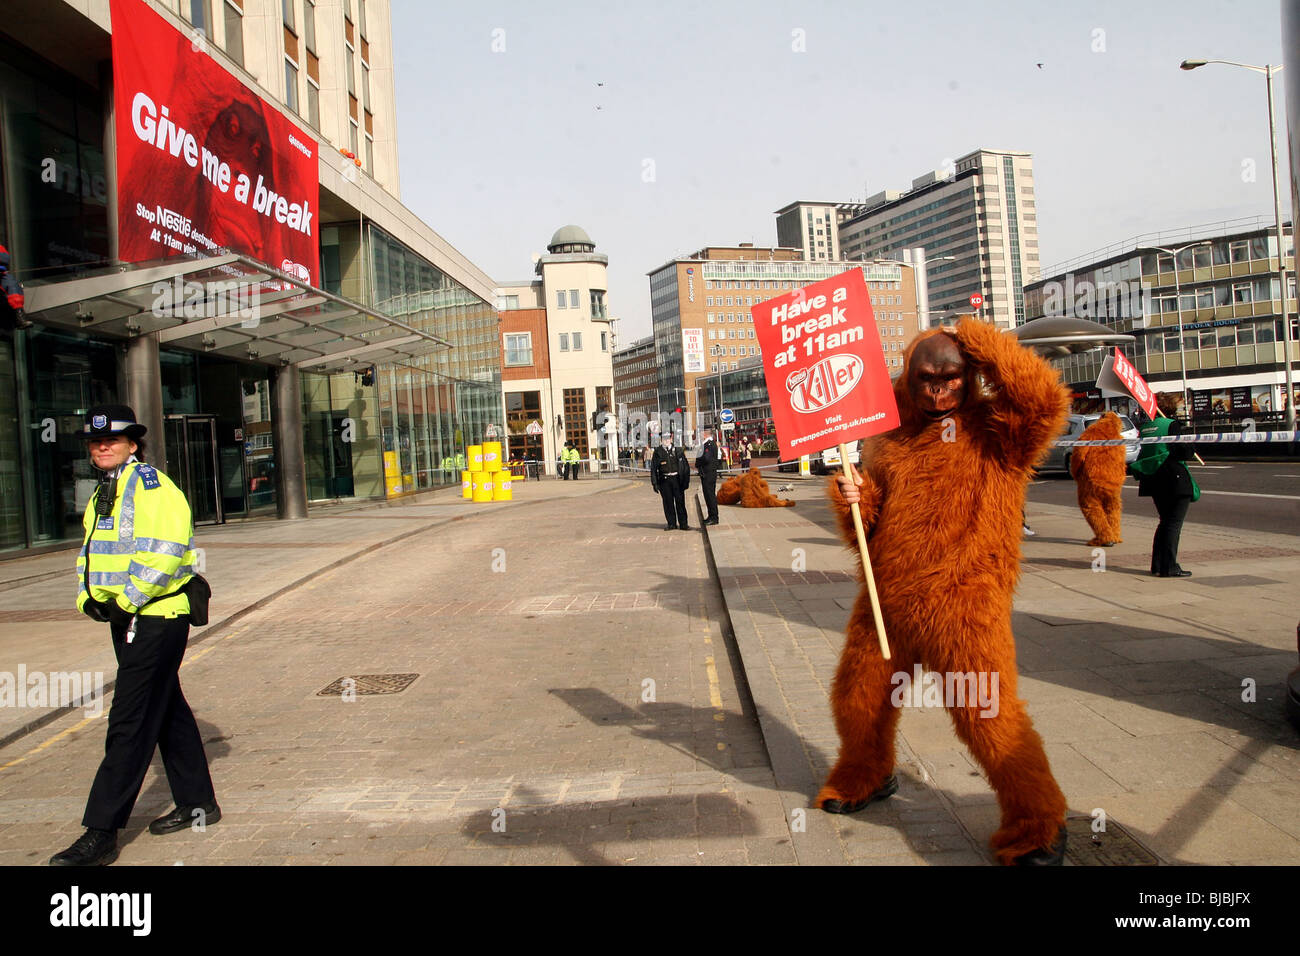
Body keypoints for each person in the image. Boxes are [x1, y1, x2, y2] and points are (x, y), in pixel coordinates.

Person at [820, 318, 1070, 865]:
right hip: (887, 601)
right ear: (907, 377)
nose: (937, 390)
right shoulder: (886, 439)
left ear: (971, 375)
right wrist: (854, 499)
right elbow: (868, 531)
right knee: (857, 700)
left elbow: (1043, 400)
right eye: (926, 378)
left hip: (967, 605)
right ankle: (867, 772)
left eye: (951, 377)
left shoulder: (997, 431)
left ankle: (1038, 820)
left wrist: (979, 338)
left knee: (986, 716)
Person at [51, 405, 218, 866]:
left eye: (113, 440)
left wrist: (124, 600)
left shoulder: (152, 487)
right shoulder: (103, 491)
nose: (102, 446)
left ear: (133, 445)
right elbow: (92, 555)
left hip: (155, 617)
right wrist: (89, 599)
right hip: (125, 617)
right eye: (96, 441)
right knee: (166, 711)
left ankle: (100, 832)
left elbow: (163, 555)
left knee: (129, 720)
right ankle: (197, 802)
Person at [1131, 394, 1198, 577]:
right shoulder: (1171, 425)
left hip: (1154, 480)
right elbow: (1182, 451)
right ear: (1171, 408)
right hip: (1173, 478)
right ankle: (1170, 566)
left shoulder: (1145, 428)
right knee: (1173, 523)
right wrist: (1191, 448)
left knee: (1165, 522)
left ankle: (1158, 565)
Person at [650, 432, 691, 531]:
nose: (666, 440)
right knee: (668, 503)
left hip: (677, 479)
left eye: (668, 438)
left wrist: (686, 481)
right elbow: (653, 468)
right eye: (664, 439)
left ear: (671, 439)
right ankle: (671, 523)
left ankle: (683, 524)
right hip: (665, 481)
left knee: (680, 502)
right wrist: (654, 483)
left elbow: (685, 466)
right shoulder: (658, 452)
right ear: (661, 440)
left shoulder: (678, 450)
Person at [695, 427, 721, 525]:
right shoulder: (707, 444)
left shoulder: (709, 444)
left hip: (708, 473)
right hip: (706, 473)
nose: (700, 435)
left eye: (701, 433)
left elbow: (706, 458)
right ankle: (711, 516)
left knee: (710, 495)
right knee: (708, 495)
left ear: (705, 434)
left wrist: (698, 463)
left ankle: (714, 517)